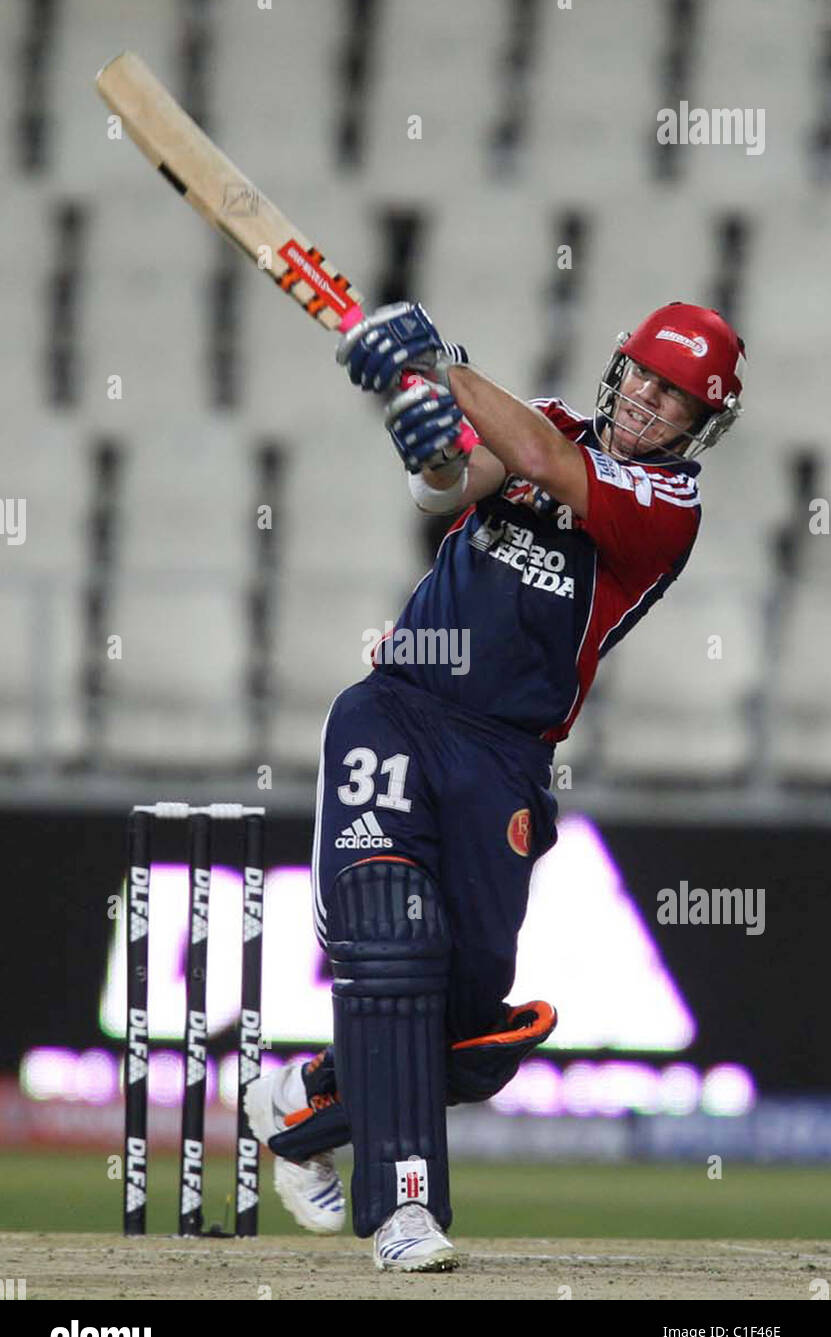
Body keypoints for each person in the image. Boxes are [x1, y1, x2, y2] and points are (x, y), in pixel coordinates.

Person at [244, 300, 746, 1270]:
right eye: (642, 374)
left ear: (700, 424)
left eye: (674, 396)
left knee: (467, 1027)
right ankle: (404, 1212)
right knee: (392, 943)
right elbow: (452, 481)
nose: (648, 400)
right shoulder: (546, 420)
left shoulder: (665, 508)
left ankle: (297, 1105)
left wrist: (441, 365)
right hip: (397, 706)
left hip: (505, 759)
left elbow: (551, 469)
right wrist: (431, 430)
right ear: (616, 370)